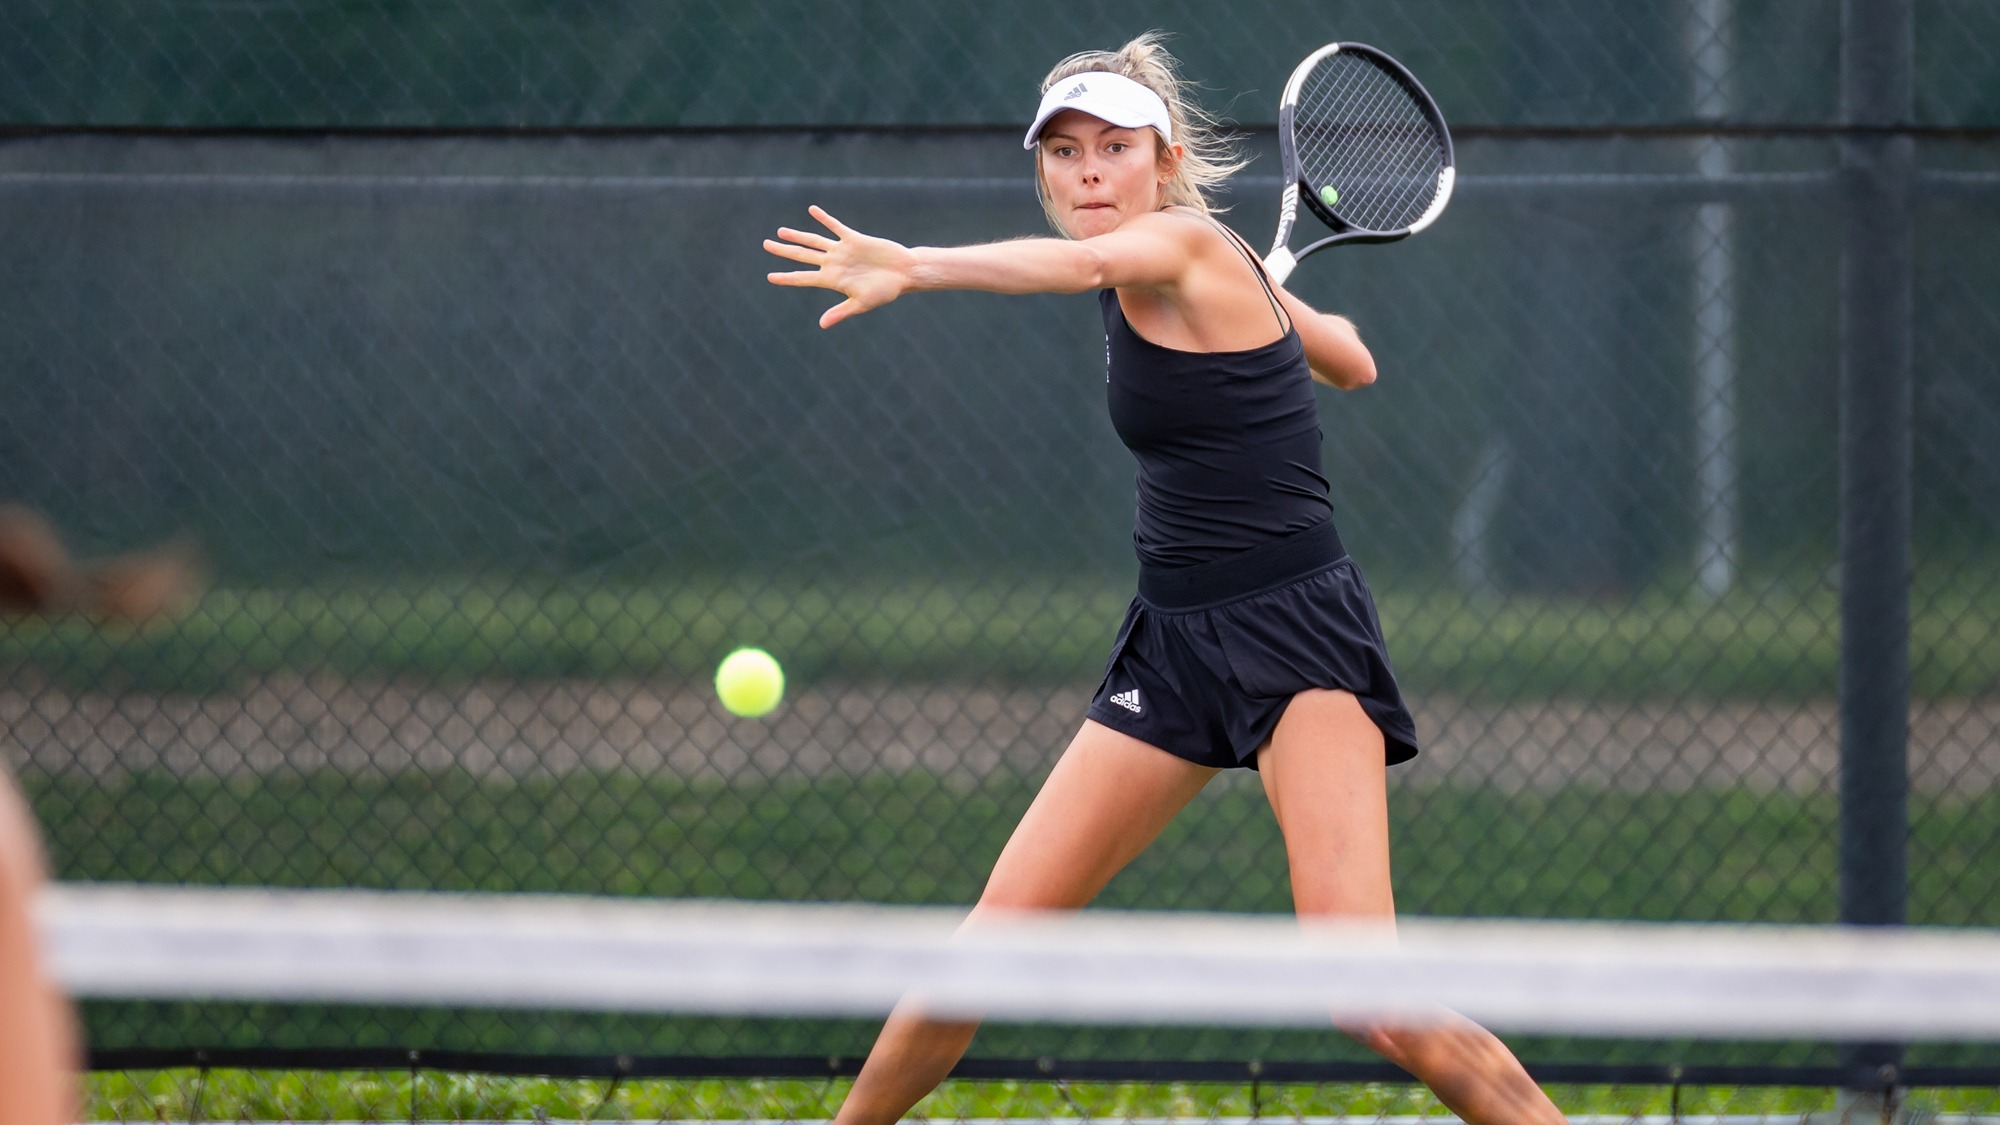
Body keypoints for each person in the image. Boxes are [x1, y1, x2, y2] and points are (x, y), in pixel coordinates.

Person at [764, 33, 1566, 1125]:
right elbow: (1354, 359)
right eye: (1062, 151)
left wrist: (915, 264)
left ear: (1163, 157)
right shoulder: (1203, 262)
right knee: (979, 956)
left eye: (1111, 146)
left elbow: (1090, 267)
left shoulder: (1181, 243)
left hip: (1296, 641)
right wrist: (1278, 316)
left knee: (1367, 1001)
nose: (1087, 171)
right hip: (1174, 643)